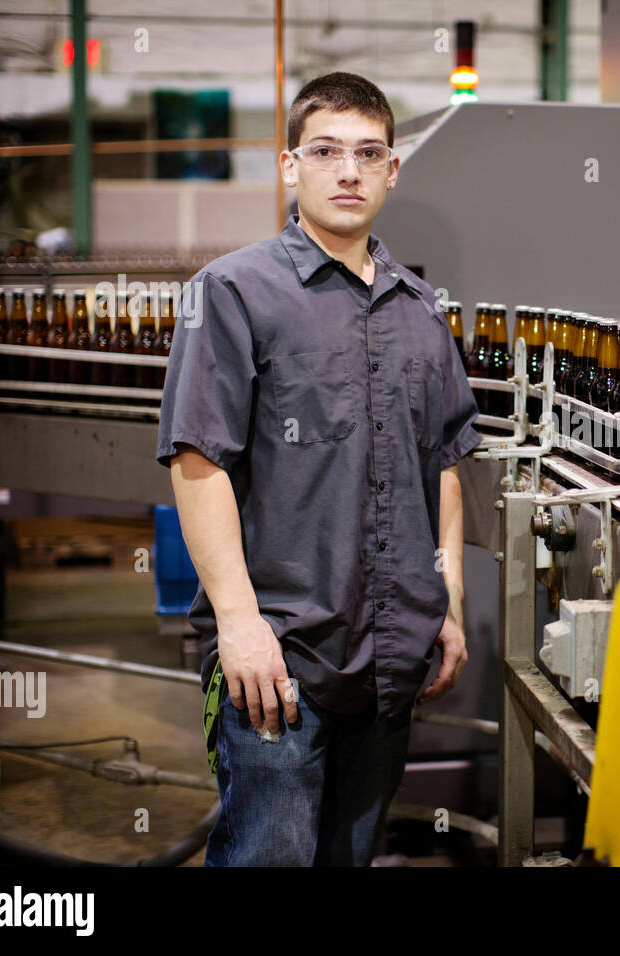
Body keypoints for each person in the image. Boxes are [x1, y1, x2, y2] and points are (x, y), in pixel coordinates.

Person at [156, 72, 481, 866]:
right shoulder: (232, 292)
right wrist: (238, 625)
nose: (348, 171)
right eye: (326, 151)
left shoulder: (420, 309)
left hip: (391, 657)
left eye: (369, 153)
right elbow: (197, 463)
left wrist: (448, 600)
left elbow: (441, 462)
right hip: (281, 656)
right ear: (288, 165)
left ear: (393, 170)